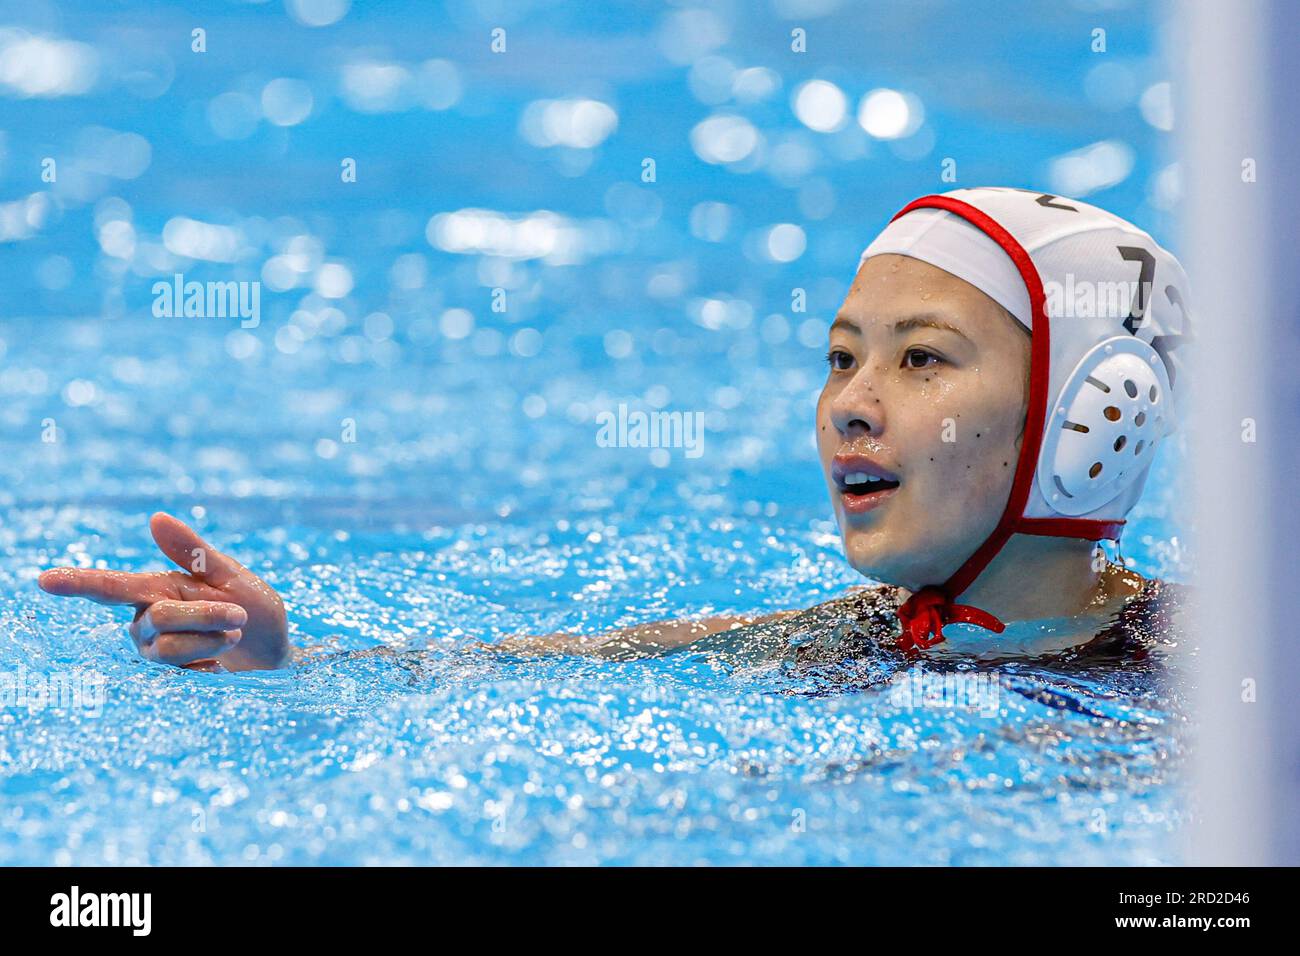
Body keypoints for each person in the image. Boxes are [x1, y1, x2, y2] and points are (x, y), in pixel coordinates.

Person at [37, 187, 1191, 671]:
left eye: (920, 356)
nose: (848, 398)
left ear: (1094, 415)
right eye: (839, 356)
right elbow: (514, 672)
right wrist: (286, 656)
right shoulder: (851, 638)